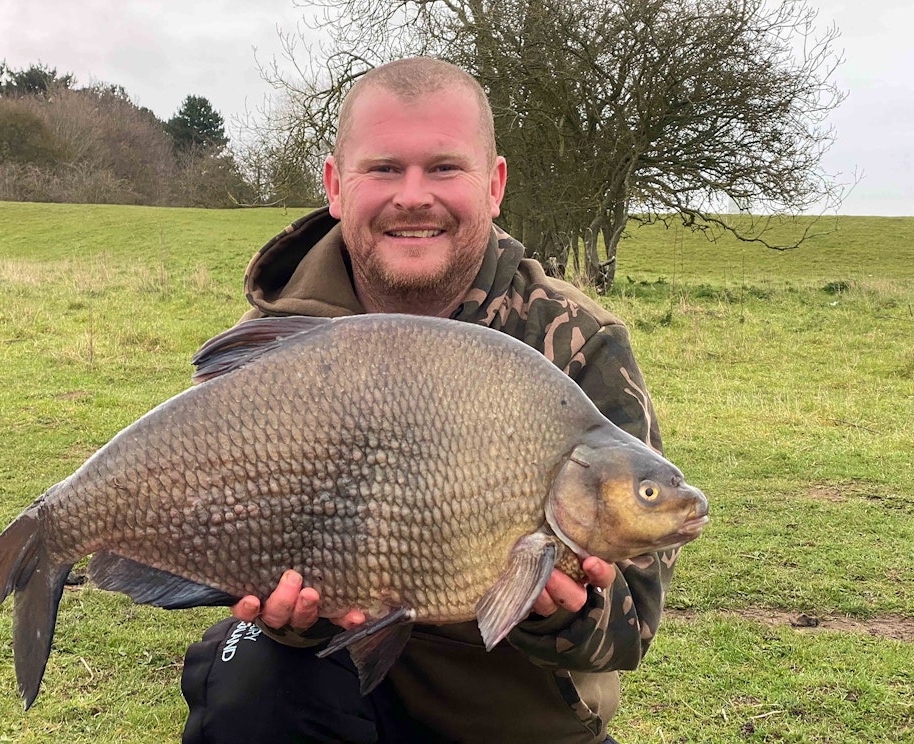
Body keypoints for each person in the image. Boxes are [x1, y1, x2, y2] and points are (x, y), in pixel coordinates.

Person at [181, 56, 676, 744]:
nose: (414, 195)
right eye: (384, 168)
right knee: (246, 681)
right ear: (334, 184)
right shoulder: (273, 351)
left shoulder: (578, 343)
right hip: (325, 675)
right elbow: (225, 537)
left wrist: (558, 614)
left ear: (494, 184)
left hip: (510, 714)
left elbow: (633, 629)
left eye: (445, 168)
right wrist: (282, 616)